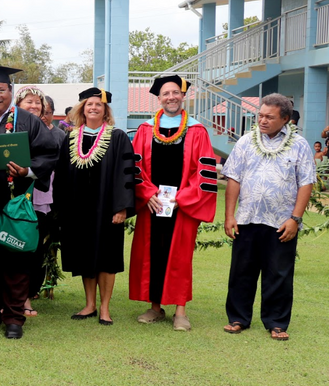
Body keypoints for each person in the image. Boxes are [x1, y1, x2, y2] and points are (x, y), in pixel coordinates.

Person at [0, 67, 58, 339]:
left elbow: (49, 152)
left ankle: (14, 316)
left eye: (0, 90)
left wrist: (28, 171)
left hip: (15, 201)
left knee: (15, 256)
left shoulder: (28, 120)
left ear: (11, 91)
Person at [222, 93, 315, 341]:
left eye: (269, 117)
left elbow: (306, 183)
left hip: (281, 222)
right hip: (247, 218)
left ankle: (276, 322)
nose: (262, 121)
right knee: (241, 271)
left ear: (285, 119)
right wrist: (229, 215)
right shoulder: (244, 142)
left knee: (279, 272)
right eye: (260, 115)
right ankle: (238, 318)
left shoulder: (299, 145)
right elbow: (233, 178)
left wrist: (295, 219)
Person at [129, 75, 218, 331]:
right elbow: (135, 168)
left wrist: (181, 199)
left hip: (183, 206)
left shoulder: (197, 130)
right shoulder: (145, 129)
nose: (171, 97)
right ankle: (155, 307)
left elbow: (204, 171)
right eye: (166, 93)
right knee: (152, 252)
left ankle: (180, 311)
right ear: (159, 98)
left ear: (183, 95)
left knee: (179, 256)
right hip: (153, 204)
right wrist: (147, 194)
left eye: (175, 92)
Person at [53, 87, 135, 326]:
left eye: (99, 105)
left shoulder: (117, 137)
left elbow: (125, 174)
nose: (94, 108)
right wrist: (62, 207)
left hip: (107, 208)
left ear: (105, 110)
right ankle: (89, 304)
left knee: (107, 256)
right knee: (84, 254)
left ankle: (105, 308)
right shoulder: (71, 137)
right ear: (82, 108)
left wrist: (122, 208)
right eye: (89, 104)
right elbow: (62, 174)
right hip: (77, 209)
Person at [11, 86, 67, 319]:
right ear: (18, 106)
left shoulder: (53, 133)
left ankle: (26, 295)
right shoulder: (10, 128)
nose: (34, 106)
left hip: (42, 198)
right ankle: (14, 299)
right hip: (12, 199)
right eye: (28, 102)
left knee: (33, 250)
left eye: (38, 103)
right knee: (12, 249)